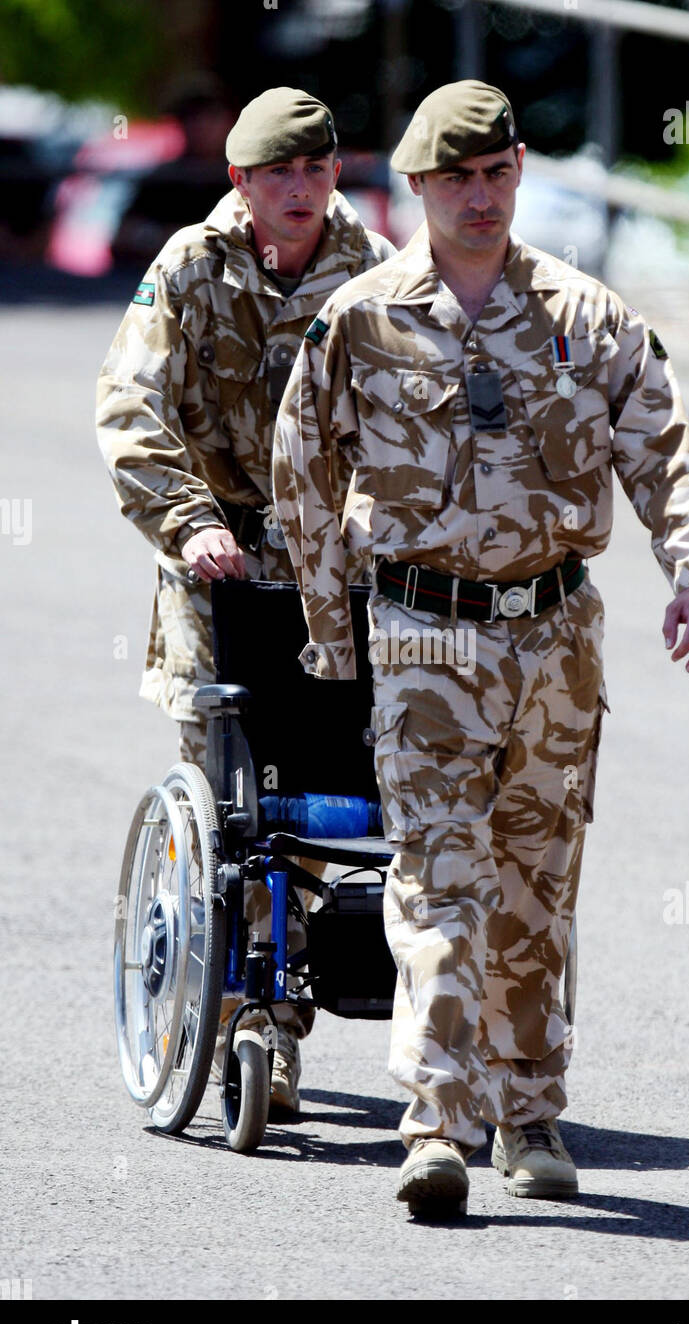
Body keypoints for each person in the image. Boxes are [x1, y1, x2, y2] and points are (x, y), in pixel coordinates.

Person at [271, 79, 689, 1213]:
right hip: (426, 635)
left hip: (557, 639)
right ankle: (435, 1123)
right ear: (416, 187)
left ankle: (529, 1113)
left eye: (496, 175)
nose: (479, 199)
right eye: (454, 181)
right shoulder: (362, 321)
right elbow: (302, 473)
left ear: (518, 172)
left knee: (537, 882)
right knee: (438, 880)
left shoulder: (587, 317)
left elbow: (665, 452)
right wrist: (336, 637)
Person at [96, 87, 396, 1117]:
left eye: (315, 169)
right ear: (242, 182)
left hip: (331, 574)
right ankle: (236, 1012)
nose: (300, 189)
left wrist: (373, 526)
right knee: (228, 795)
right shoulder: (188, 265)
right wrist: (188, 521)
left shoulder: (380, 272)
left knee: (318, 804)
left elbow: (417, 418)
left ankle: (282, 1013)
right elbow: (130, 405)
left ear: (336, 174)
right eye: (279, 173)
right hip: (216, 563)